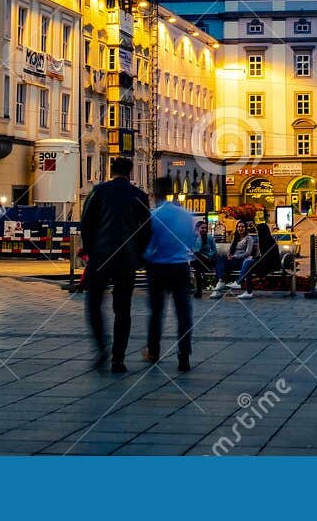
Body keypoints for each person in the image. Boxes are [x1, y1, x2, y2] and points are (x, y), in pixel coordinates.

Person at [79, 157, 151, 372]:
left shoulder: (98, 192)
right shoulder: (139, 195)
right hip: (126, 259)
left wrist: (91, 250)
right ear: (130, 172)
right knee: (123, 309)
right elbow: (146, 229)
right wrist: (138, 255)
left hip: (100, 258)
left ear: (111, 170)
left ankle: (102, 347)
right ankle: (118, 358)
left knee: (93, 305)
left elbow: (86, 223)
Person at [143, 198, 197, 372]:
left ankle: (153, 351)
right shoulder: (187, 216)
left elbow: (148, 245)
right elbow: (190, 241)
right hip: (180, 267)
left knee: (156, 311)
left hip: (158, 268)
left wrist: (149, 257)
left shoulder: (154, 215)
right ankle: (184, 355)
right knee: (183, 313)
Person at [212, 222, 257, 298]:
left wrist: (235, 256)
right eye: (239, 227)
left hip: (242, 261)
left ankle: (225, 286)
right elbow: (230, 249)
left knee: (245, 264)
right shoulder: (235, 237)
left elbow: (248, 253)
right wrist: (229, 254)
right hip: (234, 260)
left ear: (245, 228)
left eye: (242, 227)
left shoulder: (248, 238)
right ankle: (221, 281)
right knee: (220, 259)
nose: (240, 228)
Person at [191, 219, 219, 296]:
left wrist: (208, 256)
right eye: (202, 228)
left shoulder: (210, 238)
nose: (204, 230)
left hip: (208, 261)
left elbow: (214, 251)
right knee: (196, 261)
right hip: (199, 261)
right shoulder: (194, 238)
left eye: (205, 228)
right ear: (197, 229)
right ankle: (199, 291)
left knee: (195, 263)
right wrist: (199, 238)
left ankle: (198, 291)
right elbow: (196, 250)